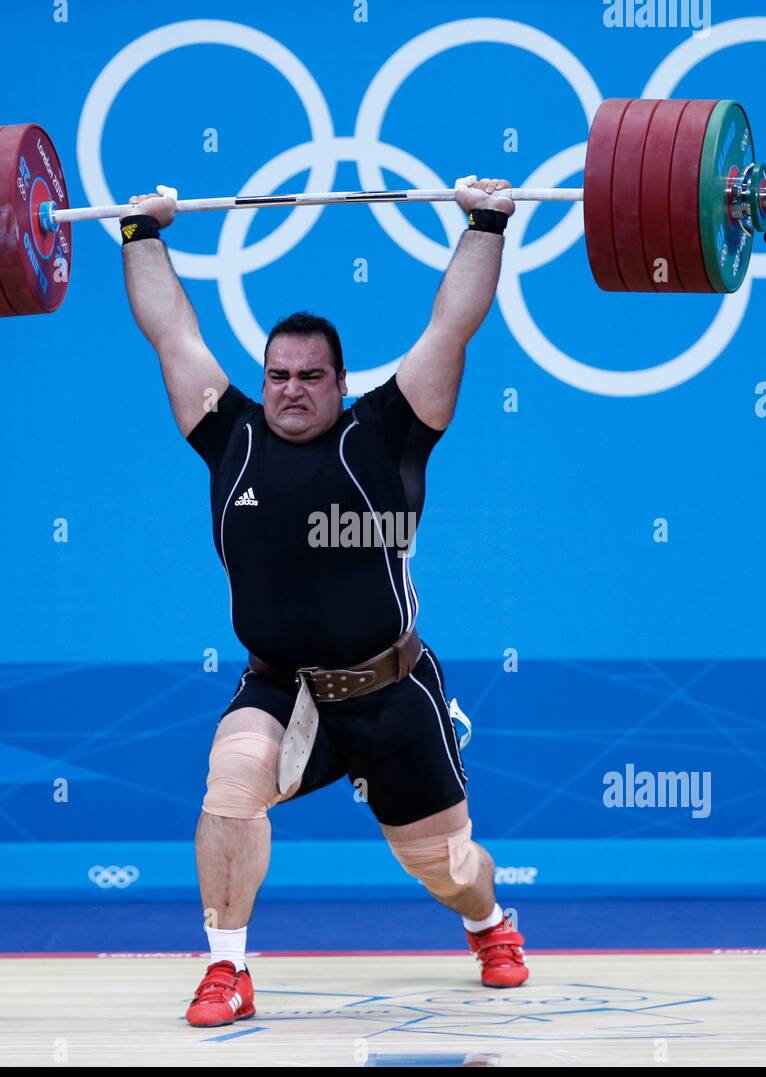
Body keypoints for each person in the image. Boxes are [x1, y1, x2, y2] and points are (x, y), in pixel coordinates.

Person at [118, 177, 528, 1028]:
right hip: (282, 686)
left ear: (341, 381)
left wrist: (486, 221)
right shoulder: (226, 435)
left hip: (389, 691)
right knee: (230, 780)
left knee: (446, 865)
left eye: (311, 376)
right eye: (277, 375)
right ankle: (227, 969)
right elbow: (171, 331)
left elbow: (452, 324)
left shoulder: (385, 432)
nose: (291, 388)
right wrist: (140, 232)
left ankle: (490, 924)